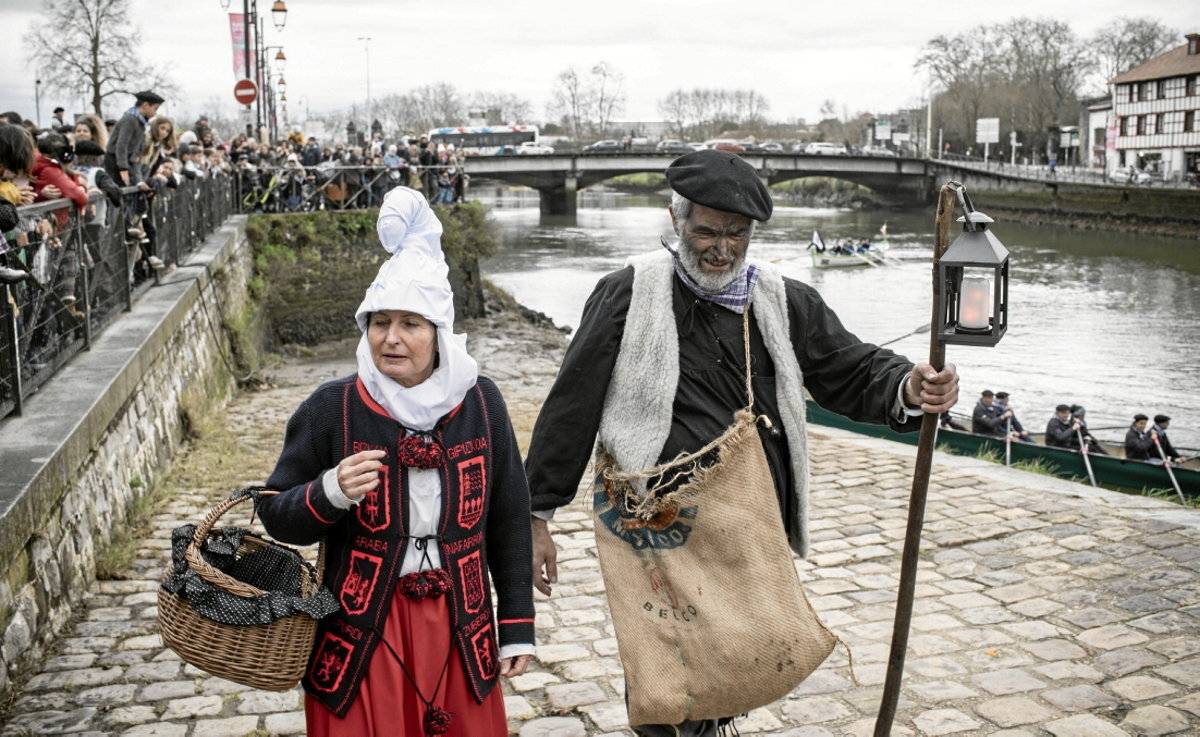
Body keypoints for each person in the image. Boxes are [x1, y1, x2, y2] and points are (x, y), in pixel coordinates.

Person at [524, 148, 959, 736]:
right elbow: (572, 405)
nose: (722, 248)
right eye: (707, 231)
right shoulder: (628, 293)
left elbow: (849, 369)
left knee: (731, 660)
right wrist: (536, 514)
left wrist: (907, 386)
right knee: (667, 675)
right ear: (676, 220)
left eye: (737, 234)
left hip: (751, 526)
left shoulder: (781, 300)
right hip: (659, 528)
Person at [256, 187, 534, 737]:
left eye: (411, 323)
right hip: (361, 628)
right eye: (380, 322)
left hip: (462, 623)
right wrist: (329, 492)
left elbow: (508, 516)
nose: (392, 338)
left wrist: (518, 625)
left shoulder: (482, 402)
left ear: (439, 333)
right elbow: (274, 513)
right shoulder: (331, 407)